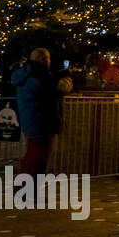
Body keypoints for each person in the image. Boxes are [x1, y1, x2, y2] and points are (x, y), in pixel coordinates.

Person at [11, 48, 72, 177]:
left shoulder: (28, 74)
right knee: (37, 160)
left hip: (34, 120)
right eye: (48, 58)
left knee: (35, 158)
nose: (50, 61)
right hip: (41, 121)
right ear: (41, 59)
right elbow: (50, 93)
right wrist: (65, 84)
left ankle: (28, 192)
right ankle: (26, 192)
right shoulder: (38, 76)